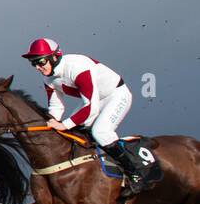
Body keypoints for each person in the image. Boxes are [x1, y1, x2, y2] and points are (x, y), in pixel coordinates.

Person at [22, 37, 155, 195]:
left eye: (41, 61)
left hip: (116, 95)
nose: (37, 67)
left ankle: (136, 174)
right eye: (33, 63)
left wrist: (64, 124)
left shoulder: (77, 67)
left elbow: (90, 107)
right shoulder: (48, 78)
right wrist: (49, 123)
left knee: (100, 132)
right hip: (96, 100)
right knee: (72, 134)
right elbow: (56, 107)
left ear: (54, 56)